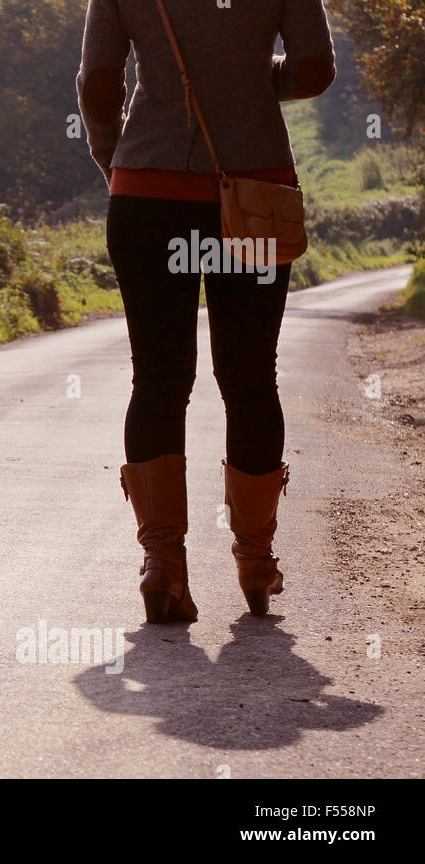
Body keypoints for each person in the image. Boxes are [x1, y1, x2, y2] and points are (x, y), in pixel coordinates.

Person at [76, 0, 336, 622]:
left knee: (159, 379)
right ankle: (255, 563)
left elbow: (99, 82)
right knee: (249, 380)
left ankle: (163, 564)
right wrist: (249, 78)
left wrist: (115, 157)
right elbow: (313, 69)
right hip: (255, 191)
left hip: (146, 193)